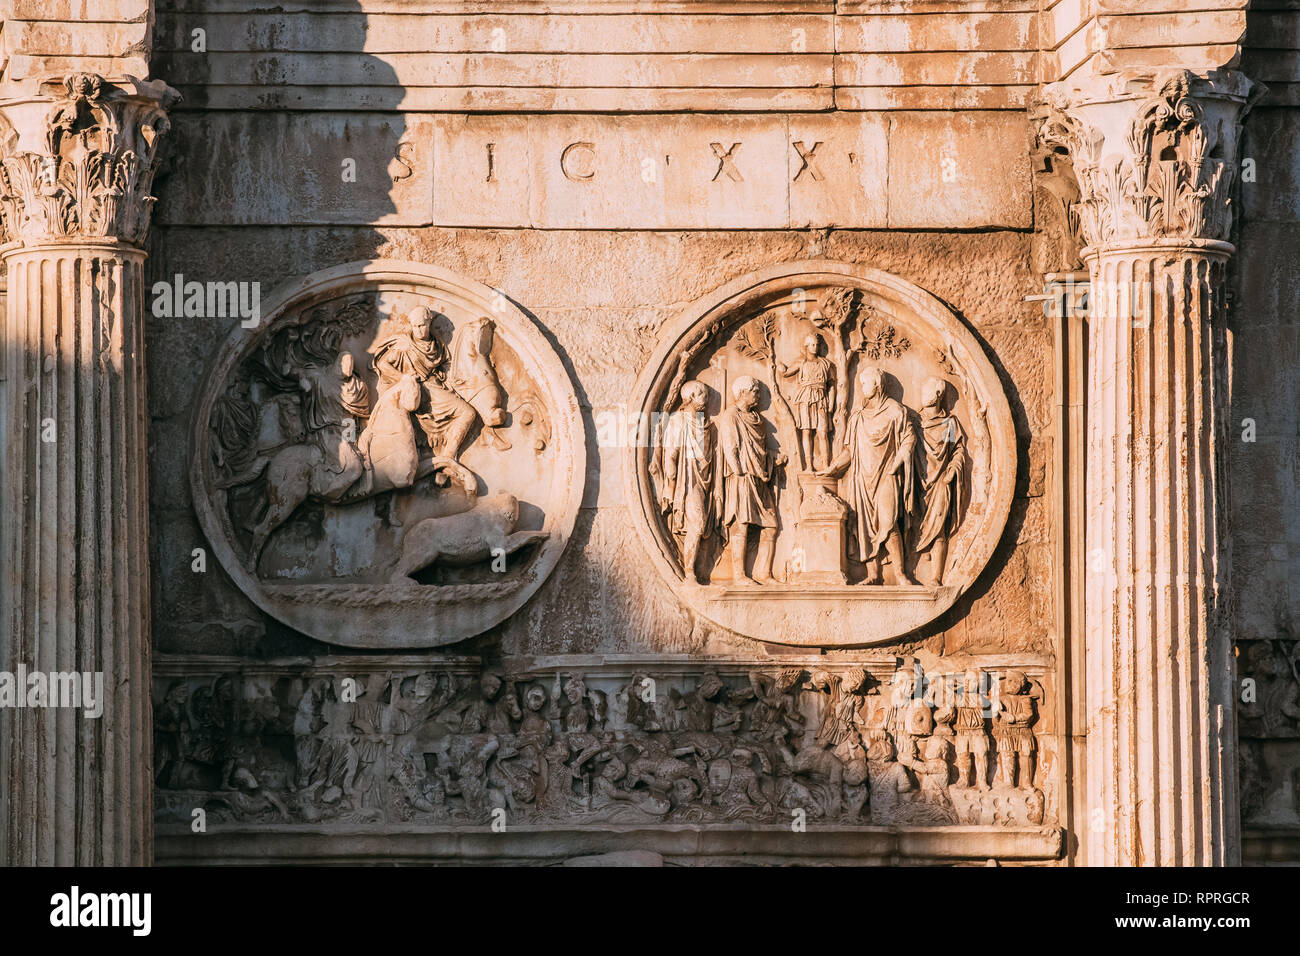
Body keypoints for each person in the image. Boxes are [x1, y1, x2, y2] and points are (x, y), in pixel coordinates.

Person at [819, 366, 918, 585]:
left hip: (886, 475)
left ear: (878, 384)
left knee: (889, 521)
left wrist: (898, 461)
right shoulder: (857, 418)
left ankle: (901, 573)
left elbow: (909, 438)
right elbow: (848, 452)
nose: (862, 387)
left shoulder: (895, 411)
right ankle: (873, 575)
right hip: (862, 479)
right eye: (861, 383)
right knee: (863, 526)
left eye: (866, 383)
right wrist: (832, 468)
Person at [371, 305, 478, 459]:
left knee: (468, 413)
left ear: (429, 323)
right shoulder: (404, 345)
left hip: (433, 387)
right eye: (415, 326)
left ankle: (449, 455)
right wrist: (403, 378)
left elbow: (447, 366)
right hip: (411, 390)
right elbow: (382, 364)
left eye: (421, 325)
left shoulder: (438, 344)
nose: (418, 330)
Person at [715, 376, 785, 584]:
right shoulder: (731, 416)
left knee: (771, 525)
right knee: (742, 524)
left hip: (758, 477)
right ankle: (739, 575)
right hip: (742, 477)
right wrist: (739, 471)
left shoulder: (757, 419)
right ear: (742, 393)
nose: (759, 395)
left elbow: (759, 449)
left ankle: (764, 573)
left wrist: (772, 458)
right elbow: (730, 447)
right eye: (755, 391)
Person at [656, 380, 715, 583]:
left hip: (702, 478)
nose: (706, 399)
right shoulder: (678, 420)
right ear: (690, 397)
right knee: (697, 523)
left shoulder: (701, 421)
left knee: (703, 523)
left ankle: (699, 569)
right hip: (686, 478)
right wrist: (670, 480)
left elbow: (704, 455)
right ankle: (689, 571)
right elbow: (671, 452)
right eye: (702, 395)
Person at [914, 376, 967, 585]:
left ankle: (936, 576)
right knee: (914, 526)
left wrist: (953, 469)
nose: (923, 395)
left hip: (941, 482)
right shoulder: (915, 422)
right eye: (922, 391)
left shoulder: (949, 424)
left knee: (940, 529)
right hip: (917, 482)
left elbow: (957, 450)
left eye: (927, 391)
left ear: (938, 395)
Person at [777, 333, 835, 471]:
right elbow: (786, 373)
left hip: (821, 399)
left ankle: (826, 465)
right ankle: (809, 466)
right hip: (805, 398)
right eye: (812, 345)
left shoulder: (826, 364)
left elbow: (832, 385)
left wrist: (831, 404)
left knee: (822, 432)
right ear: (807, 346)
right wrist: (778, 365)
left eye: (816, 344)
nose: (815, 347)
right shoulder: (801, 363)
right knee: (806, 432)